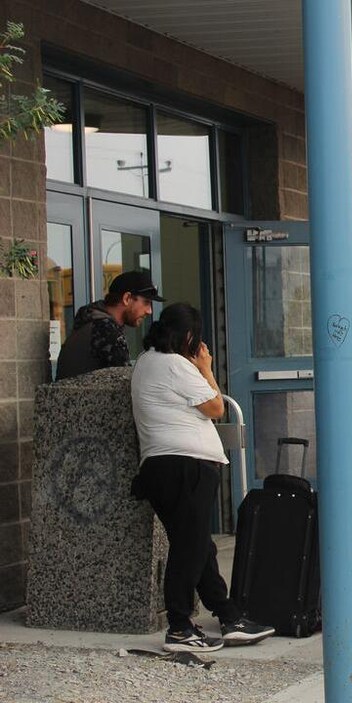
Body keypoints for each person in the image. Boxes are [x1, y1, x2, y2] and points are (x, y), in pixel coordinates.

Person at [129, 303, 274, 653]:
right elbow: (215, 407)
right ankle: (179, 627)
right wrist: (206, 368)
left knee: (198, 546)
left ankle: (228, 616)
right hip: (186, 467)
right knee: (189, 549)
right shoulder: (176, 364)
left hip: (162, 468)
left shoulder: (145, 361)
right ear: (189, 336)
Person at [57, 270, 164, 380]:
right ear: (127, 298)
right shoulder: (107, 332)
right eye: (146, 302)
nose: (149, 311)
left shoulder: (90, 322)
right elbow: (123, 385)